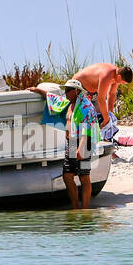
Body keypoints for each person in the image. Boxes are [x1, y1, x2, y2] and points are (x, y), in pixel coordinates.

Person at [29, 79, 99, 209]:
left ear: (76, 91)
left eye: (68, 90)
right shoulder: (70, 103)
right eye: (65, 90)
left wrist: (81, 148)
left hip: (85, 143)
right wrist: (38, 90)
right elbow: (54, 100)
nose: (65, 93)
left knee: (84, 176)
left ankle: (85, 209)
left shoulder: (85, 107)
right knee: (67, 175)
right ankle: (75, 207)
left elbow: (87, 128)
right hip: (72, 143)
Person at [74, 63, 133, 139]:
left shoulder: (116, 76)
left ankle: (95, 137)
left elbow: (111, 95)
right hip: (78, 86)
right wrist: (106, 119)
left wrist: (110, 115)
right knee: (90, 115)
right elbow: (101, 99)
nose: (121, 84)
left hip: (92, 91)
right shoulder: (106, 75)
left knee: (99, 116)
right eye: (122, 82)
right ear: (119, 77)